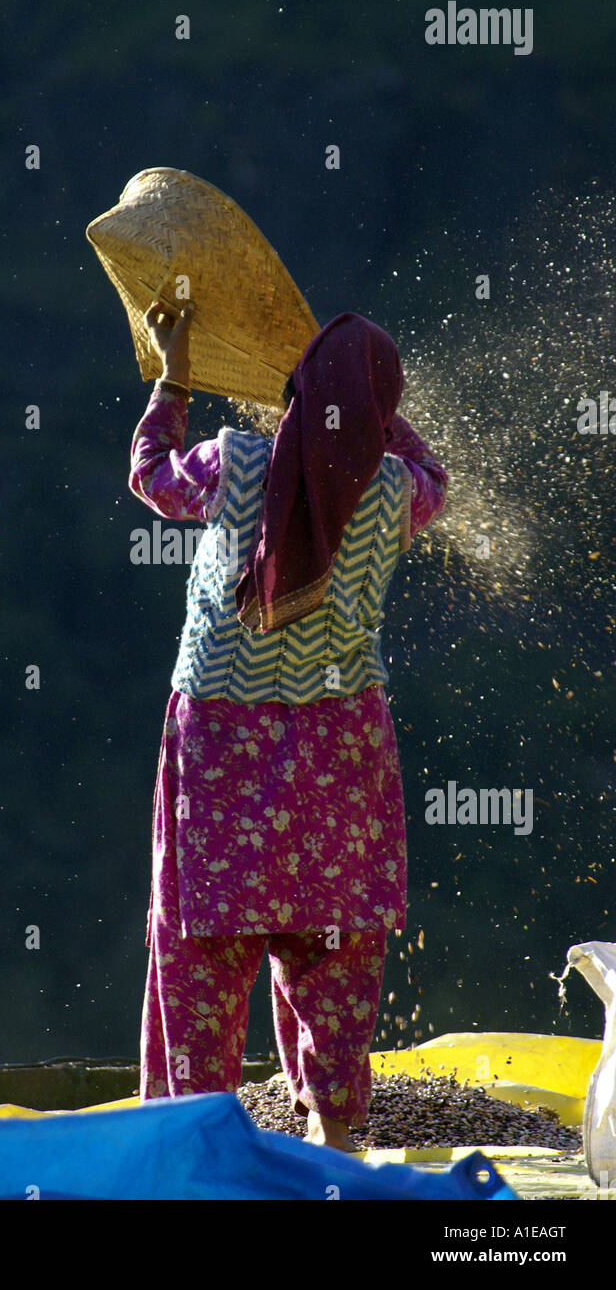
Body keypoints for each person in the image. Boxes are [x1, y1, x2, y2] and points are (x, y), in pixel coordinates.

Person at [128, 298, 447, 1150]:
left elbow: (151, 473)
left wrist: (174, 374)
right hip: (340, 753)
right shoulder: (392, 490)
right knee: (334, 949)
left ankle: (193, 1148)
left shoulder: (234, 464)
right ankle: (334, 1144)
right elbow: (435, 475)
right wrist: (372, 410)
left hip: (222, 750)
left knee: (205, 949)